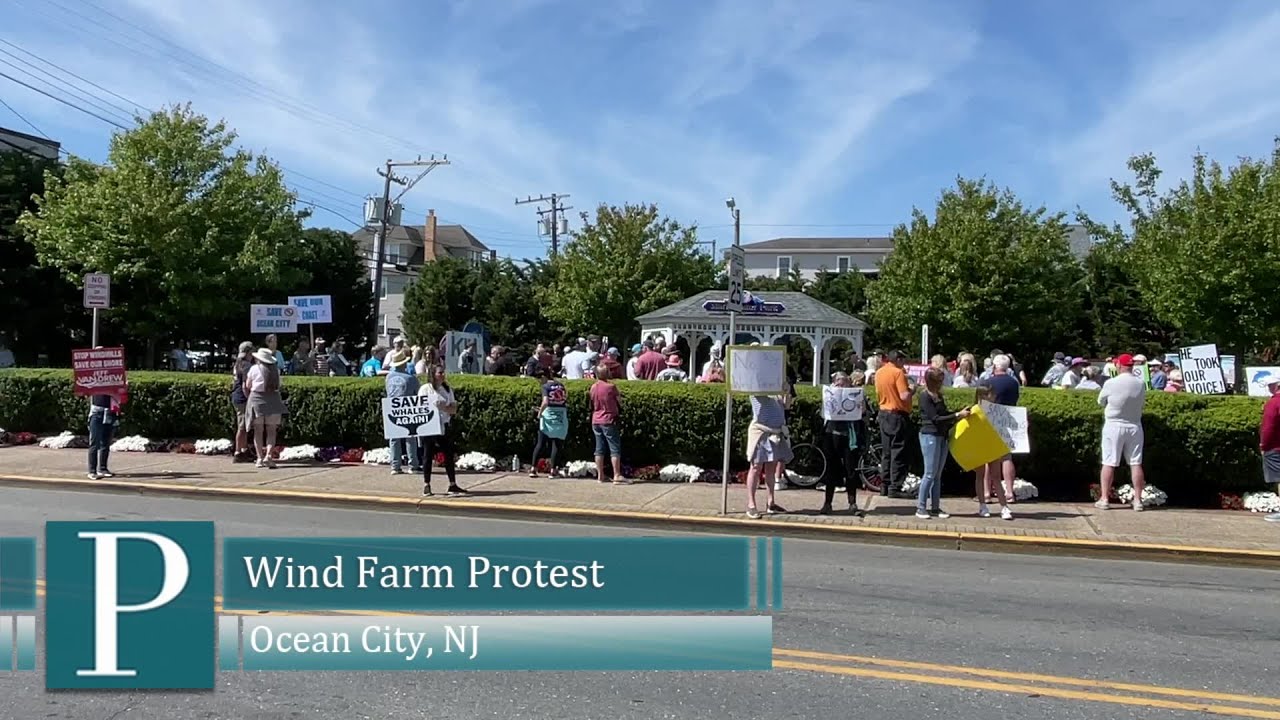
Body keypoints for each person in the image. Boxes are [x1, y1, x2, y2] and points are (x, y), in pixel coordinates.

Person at [916, 367, 971, 519]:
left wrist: (959, 413)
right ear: (932, 381)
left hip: (941, 436)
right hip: (929, 435)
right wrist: (957, 415)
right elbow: (935, 418)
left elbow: (944, 414)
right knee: (929, 473)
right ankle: (921, 507)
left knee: (937, 475)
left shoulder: (938, 395)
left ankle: (935, 508)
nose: (941, 383)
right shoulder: (924, 396)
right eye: (939, 381)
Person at [1095, 353, 1147, 511]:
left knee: (1109, 462)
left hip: (1114, 424)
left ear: (1119, 365)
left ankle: (1104, 498)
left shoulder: (1111, 383)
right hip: (1134, 425)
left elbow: (1100, 401)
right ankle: (1137, 500)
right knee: (1136, 463)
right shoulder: (1140, 383)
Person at [977, 354, 1020, 511]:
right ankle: (1009, 492)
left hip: (990, 420)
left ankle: (986, 493)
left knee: (988, 458)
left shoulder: (988, 382)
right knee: (1006, 457)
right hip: (1007, 418)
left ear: (994, 366)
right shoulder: (1014, 383)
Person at [419, 365, 468, 497]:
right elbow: (419, 407)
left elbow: (453, 409)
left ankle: (452, 484)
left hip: (444, 425)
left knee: (448, 454)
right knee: (427, 455)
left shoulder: (446, 389)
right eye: (440, 373)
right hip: (429, 426)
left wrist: (444, 408)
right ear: (433, 374)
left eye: (443, 373)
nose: (442, 375)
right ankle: (427, 484)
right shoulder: (425, 389)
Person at [819, 372, 864, 517]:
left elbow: (864, 412)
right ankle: (827, 503)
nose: (840, 384)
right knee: (831, 470)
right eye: (838, 382)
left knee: (851, 471)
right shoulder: (829, 394)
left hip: (849, 437)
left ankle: (852, 503)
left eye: (843, 382)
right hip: (832, 435)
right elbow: (823, 413)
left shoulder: (854, 394)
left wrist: (861, 405)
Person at [744, 383, 792, 519]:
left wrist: (786, 392)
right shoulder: (757, 388)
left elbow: (786, 406)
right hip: (760, 432)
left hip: (776, 433)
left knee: (771, 468)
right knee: (755, 468)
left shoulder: (776, 390)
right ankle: (751, 504)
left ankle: (771, 502)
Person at [874, 350, 914, 497]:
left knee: (886, 452)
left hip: (883, 413)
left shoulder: (879, 372)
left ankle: (884, 485)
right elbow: (904, 396)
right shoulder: (898, 373)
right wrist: (912, 389)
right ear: (898, 360)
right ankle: (895, 487)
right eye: (903, 360)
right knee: (898, 451)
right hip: (897, 414)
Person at [244, 347, 287, 469]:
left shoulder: (254, 368)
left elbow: (248, 385)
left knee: (258, 431)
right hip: (273, 400)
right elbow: (279, 385)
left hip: (257, 400)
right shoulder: (276, 370)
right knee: (271, 431)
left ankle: (259, 458)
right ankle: (269, 456)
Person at [589, 364, 629, 484]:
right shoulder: (611, 387)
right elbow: (620, 402)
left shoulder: (593, 387)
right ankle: (616, 474)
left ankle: (600, 476)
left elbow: (591, 403)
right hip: (609, 419)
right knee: (614, 448)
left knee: (599, 448)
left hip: (596, 419)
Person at [385, 352, 422, 475]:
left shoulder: (388, 377)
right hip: (408, 408)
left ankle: (395, 466)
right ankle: (413, 465)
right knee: (410, 437)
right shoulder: (411, 378)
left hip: (392, 408)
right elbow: (418, 393)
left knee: (394, 439)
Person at [529, 367, 568, 477]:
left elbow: (545, 402)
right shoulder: (561, 385)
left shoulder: (545, 387)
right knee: (556, 444)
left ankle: (533, 468)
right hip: (560, 416)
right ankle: (553, 470)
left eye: (539, 379)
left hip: (548, 415)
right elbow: (563, 400)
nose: (539, 382)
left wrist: (539, 412)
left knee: (541, 443)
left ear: (543, 377)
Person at [86, 370, 120, 480]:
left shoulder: (113, 378)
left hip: (109, 411)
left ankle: (103, 468)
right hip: (97, 412)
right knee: (94, 442)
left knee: (106, 441)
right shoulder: (93, 379)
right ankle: (92, 470)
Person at [1257, 372, 1280, 522]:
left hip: (1276, 447)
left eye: (1271, 385)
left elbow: (1268, 427)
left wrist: (1263, 444)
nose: (1269, 388)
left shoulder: (1273, 403)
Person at [230, 341, 255, 462]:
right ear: (249, 352)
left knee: (244, 425)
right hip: (242, 398)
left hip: (237, 396)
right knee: (242, 426)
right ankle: (238, 452)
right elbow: (245, 385)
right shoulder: (246, 365)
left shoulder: (237, 363)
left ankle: (244, 450)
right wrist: (250, 398)